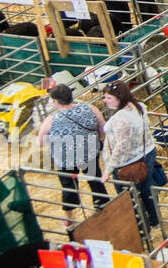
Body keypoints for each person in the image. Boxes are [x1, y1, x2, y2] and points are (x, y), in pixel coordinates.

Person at [38, 83, 109, 228]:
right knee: (95, 180)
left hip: (65, 160)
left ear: (56, 101)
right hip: (89, 153)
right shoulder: (90, 108)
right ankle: (104, 208)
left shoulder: (51, 120)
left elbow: (40, 141)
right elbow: (103, 127)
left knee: (69, 187)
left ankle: (69, 218)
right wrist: (100, 139)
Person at [100, 83, 159, 228]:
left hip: (127, 163)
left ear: (119, 97)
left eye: (109, 97)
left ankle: (140, 227)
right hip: (147, 153)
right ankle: (154, 221)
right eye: (104, 97)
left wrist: (108, 169)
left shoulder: (121, 118)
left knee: (129, 197)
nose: (105, 100)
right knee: (147, 190)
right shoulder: (139, 106)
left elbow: (122, 146)